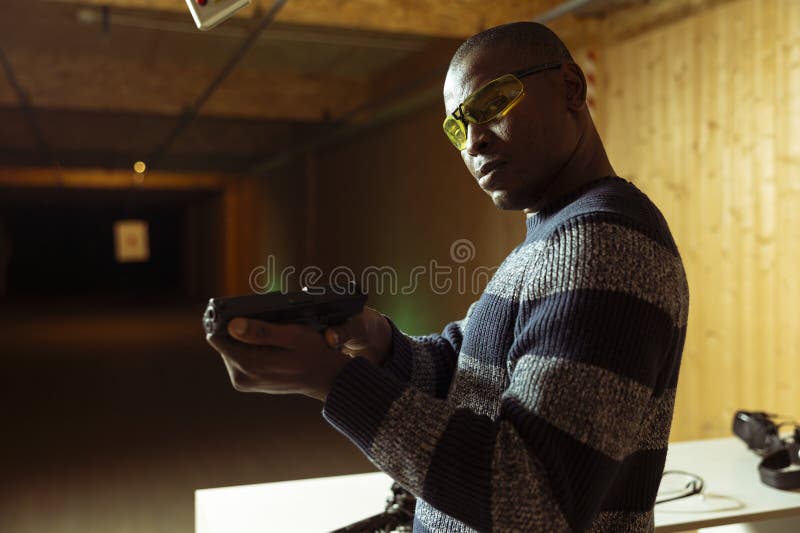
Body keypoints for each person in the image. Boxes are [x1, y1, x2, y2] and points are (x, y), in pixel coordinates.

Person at [207, 21, 689, 533]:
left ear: (571, 88)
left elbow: (534, 500)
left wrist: (333, 381)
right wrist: (378, 343)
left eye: (492, 104)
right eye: (457, 128)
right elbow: (473, 377)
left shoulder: (601, 243)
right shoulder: (556, 234)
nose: (474, 140)